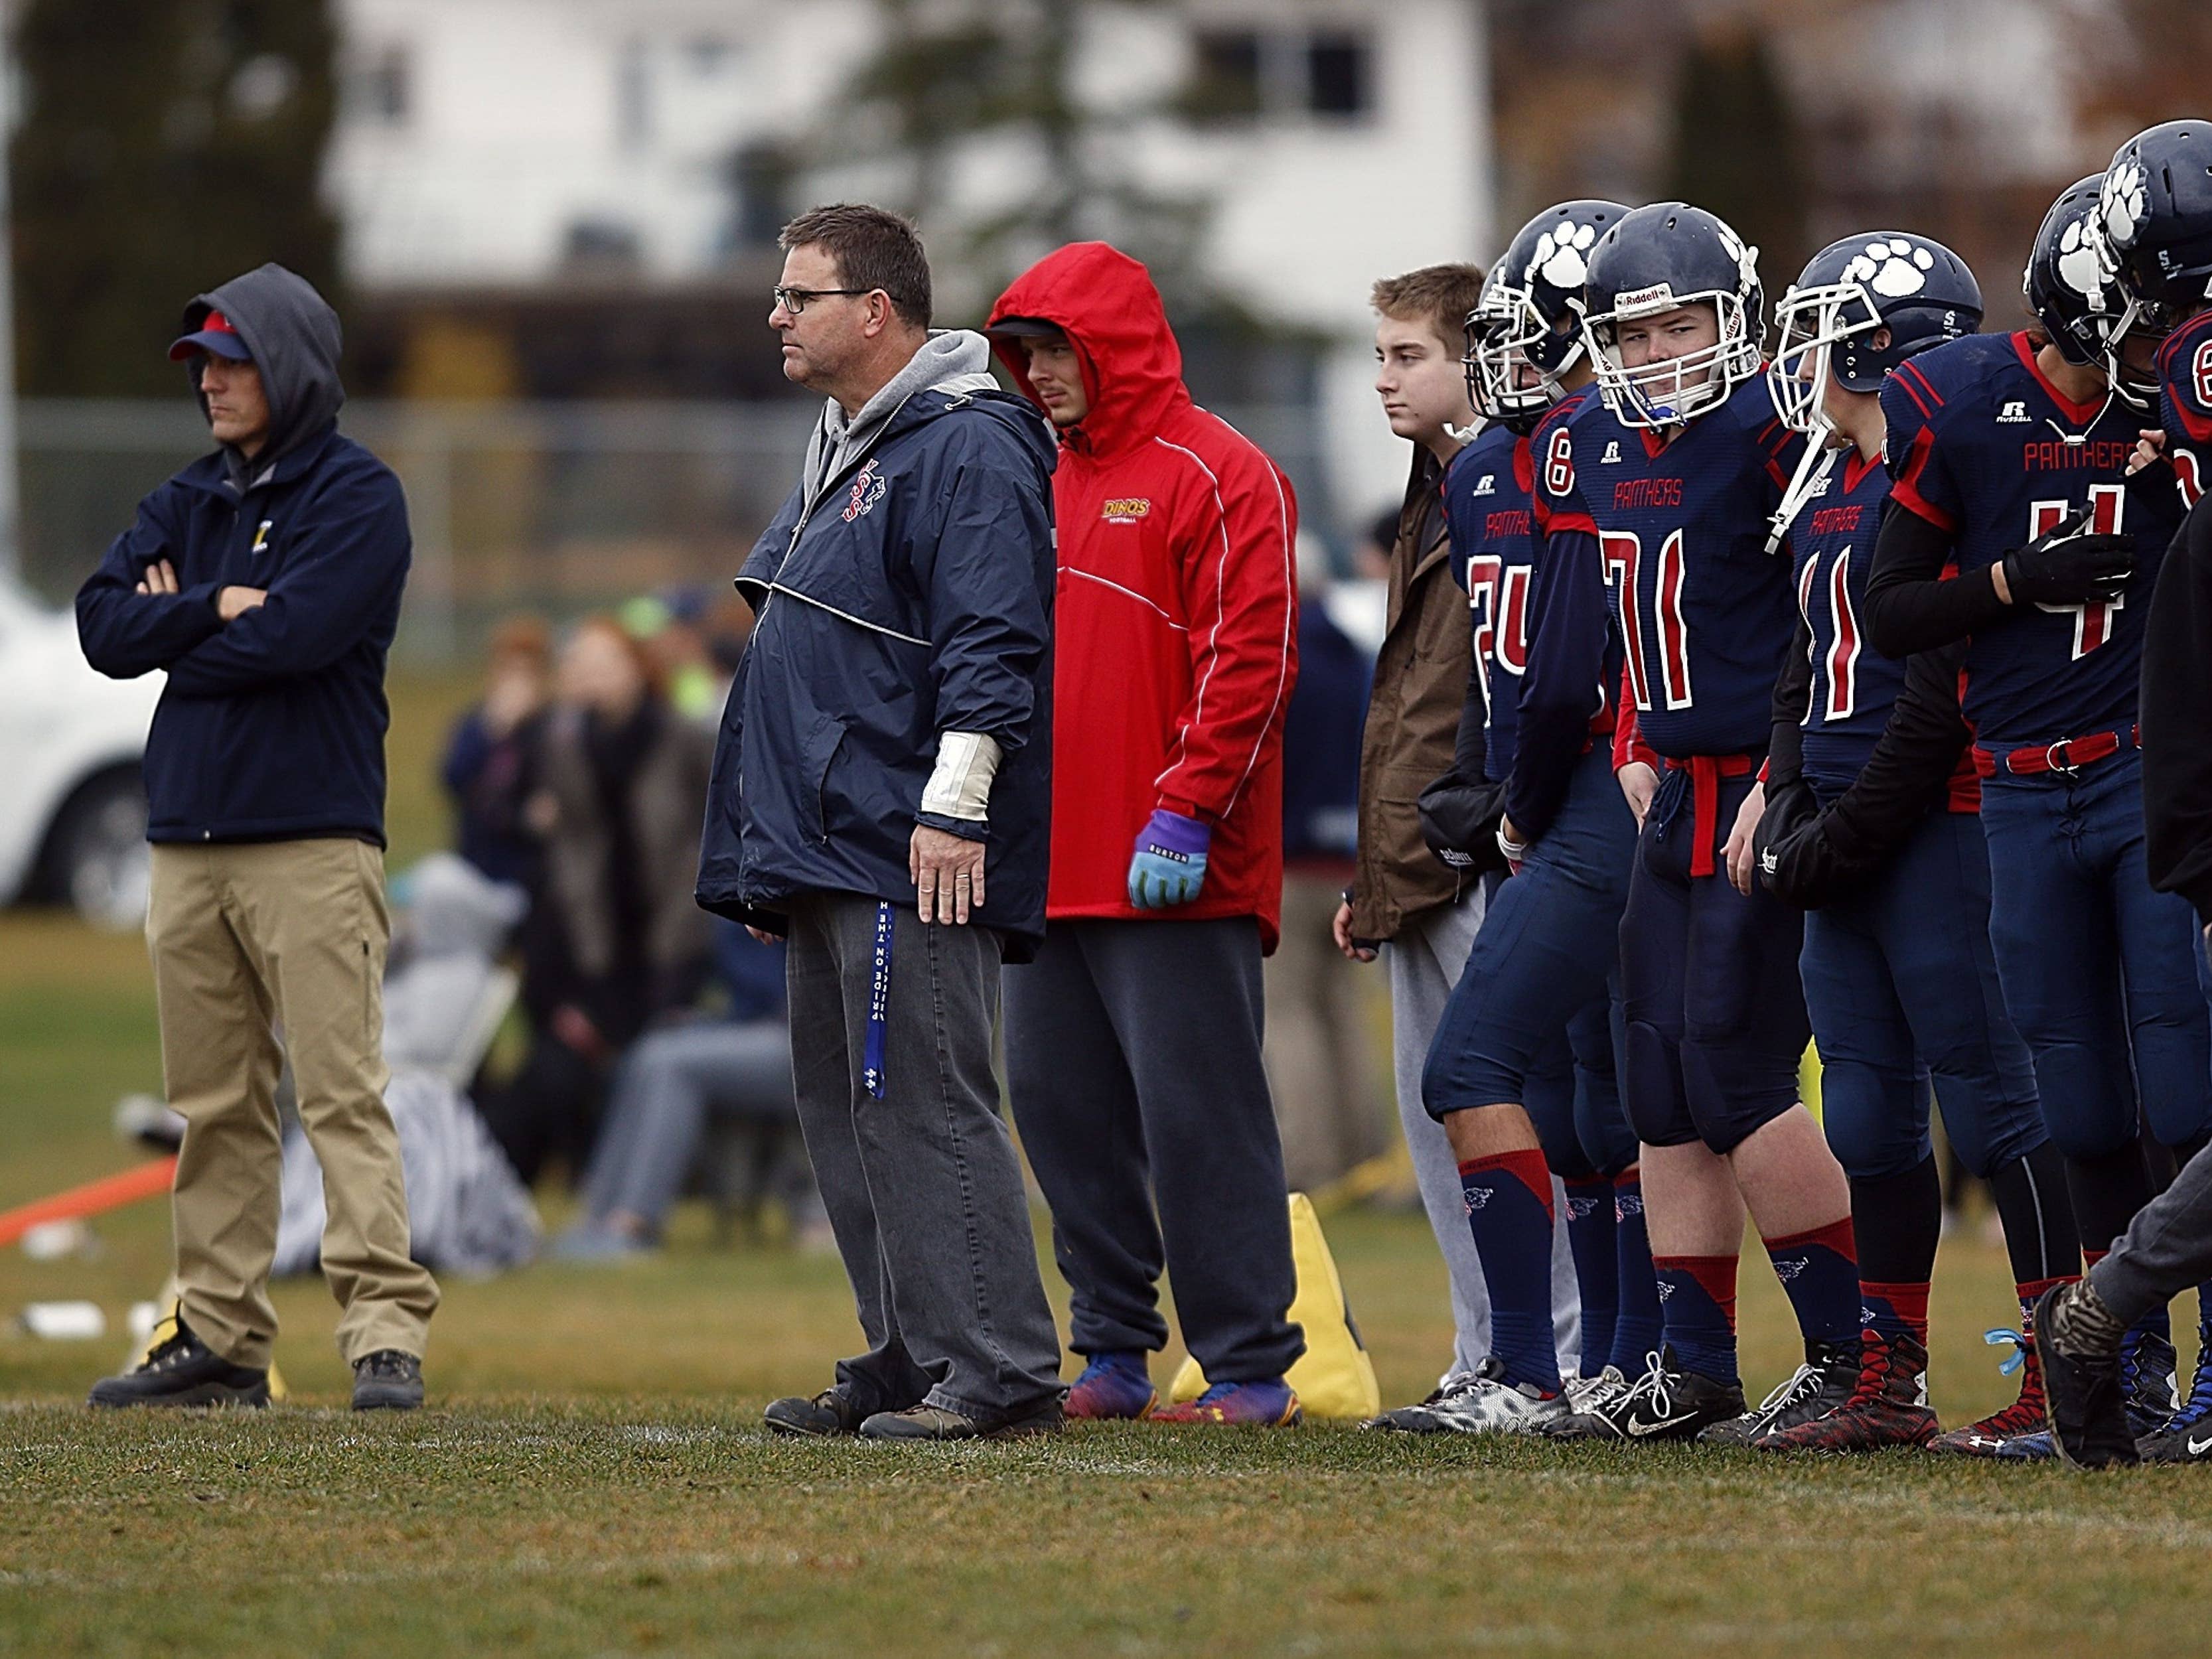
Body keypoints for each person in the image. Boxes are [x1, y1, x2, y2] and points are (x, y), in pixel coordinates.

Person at [696, 202, 1065, 1442]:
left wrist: (955, 813)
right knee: (845, 1106)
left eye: (799, 297)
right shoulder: (847, 440)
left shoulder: (967, 447)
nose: (775, 316)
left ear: (875, 311)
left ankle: (999, 1368)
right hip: (823, 846)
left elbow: (992, 645)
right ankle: (910, 1352)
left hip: (909, 847)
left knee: (922, 1097)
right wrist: (765, 849)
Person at [1862, 177, 2209, 1444]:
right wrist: (2015, 579)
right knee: (2075, 1104)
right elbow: (1887, 608)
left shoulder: (2176, 401)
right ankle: (2122, 1363)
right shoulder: (1960, 405)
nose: (2146, 349)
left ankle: (2205, 1363)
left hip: (2130, 768)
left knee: (2182, 1084)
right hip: (2015, 783)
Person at [1526, 204, 1864, 1445]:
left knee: (1733, 1069)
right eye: (1637, 331)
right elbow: (1617, 626)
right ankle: (1693, 1362)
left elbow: (1827, 612)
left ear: (1733, 317)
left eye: (1682, 324)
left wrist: (1792, 769)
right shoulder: (1587, 441)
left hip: (1759, 779)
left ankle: (1851, 1353)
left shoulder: (1781, 432)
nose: (1663, 352)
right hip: (1667, 782)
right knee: (1654, 1079)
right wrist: (1624, 738)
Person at [76, 263, 439, 1411]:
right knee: (215, 1103)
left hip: (313, 841)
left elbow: (299, 639)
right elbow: (100, 625)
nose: (214, 386)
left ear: (289, 368)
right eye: (203, 369)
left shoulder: (359, 497)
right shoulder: (188, 496)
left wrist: (179, 624)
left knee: (340, 1093)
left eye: (234, 364)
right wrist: (210, 609)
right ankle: (219, 1337)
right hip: (186, 840)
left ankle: (384, 1331)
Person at [1747, 233, 2085, 1456]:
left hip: (1935, 829)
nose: (1806, 356)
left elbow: (1937, 690)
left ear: (1882, 344)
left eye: (1826, 329)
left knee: (1996, 1109)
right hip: (1842, 832)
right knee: (1867, 1120)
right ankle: (1887, 1383)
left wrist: (1845, 830)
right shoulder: (1829, 476)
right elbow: (1803, 663)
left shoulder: (1953, 471)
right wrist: (1781, 791)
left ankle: (2069, 1374)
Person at [986, 241, 1306, 1427]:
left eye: (1054, 349)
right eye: (1021, 353)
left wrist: (1184, 807)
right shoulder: (1030, 476)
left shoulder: (1220, 472)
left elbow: (1253, 666)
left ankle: (1248, 1365)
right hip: (1048, 871)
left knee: (1197, 1121)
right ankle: (1112, 1350)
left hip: (1178, 870)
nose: (1038, 374)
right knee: (1061, 1118)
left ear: (1111, 344)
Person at [1406, 203, 1664, 1437]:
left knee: (1546, 1078)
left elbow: (1568, 663)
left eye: (1523, 332)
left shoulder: (1596, 442)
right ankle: (1611, 1361)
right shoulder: (1473, 468)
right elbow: (1496, 671)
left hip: (1594, 792)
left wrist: (1519, 796)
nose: (1502, 356)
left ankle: (1549, 1368)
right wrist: (1489, 788)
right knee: (1567, 1101)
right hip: (1540, 797)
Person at [1335, 261, 1540, 1432]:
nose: (1382, 379)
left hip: (1483, 851)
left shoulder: (1500, 484)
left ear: (1473, 359)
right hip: (1422, 853)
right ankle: (1481, 1353)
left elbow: (1485, 695)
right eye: (1379, 355)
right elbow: (1405, 707)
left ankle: (1541, 1355)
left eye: (1407, 355)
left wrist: (1464, 827)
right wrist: (1375, 872)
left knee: (1502, 1111)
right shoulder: (1433, 485)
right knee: (1435, 1127)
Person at [475, 616, 714, 1186]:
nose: (590, 674)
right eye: (579, 662)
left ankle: (643, 1185)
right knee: (556, 1067)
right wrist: (502, 734)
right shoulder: (560, 743)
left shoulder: (681, 737)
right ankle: (543, 1181)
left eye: (604, 662)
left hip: (672, 939)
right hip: (591, 947)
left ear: (639, 669)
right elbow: (486, 805)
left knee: (648, 1059)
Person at [552, 919, 817, 1261]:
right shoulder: (732, 887)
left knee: (671, 1065)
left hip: (804, 1040)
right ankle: (597, 1217)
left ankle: (633, 1224)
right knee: (648, 1051)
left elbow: (795, 991)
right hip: (756, 1028)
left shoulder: (787, 880)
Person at [1266, 542, 1388, 1194]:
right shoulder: (1354, 654)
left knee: (1289, 1017)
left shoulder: (1277, 658)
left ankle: (1310, 1161)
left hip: (1286, 860)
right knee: (1344, 1012)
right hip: (1348, 859)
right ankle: (1366, 1149)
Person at [440, 614, 553, 889]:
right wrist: (493, 730)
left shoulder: (554, 726)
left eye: (526, 672)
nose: (516, 683)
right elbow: (452, 780)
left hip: (536, 871)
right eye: (507, 671)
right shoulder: (477, 724)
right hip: (479, 863)